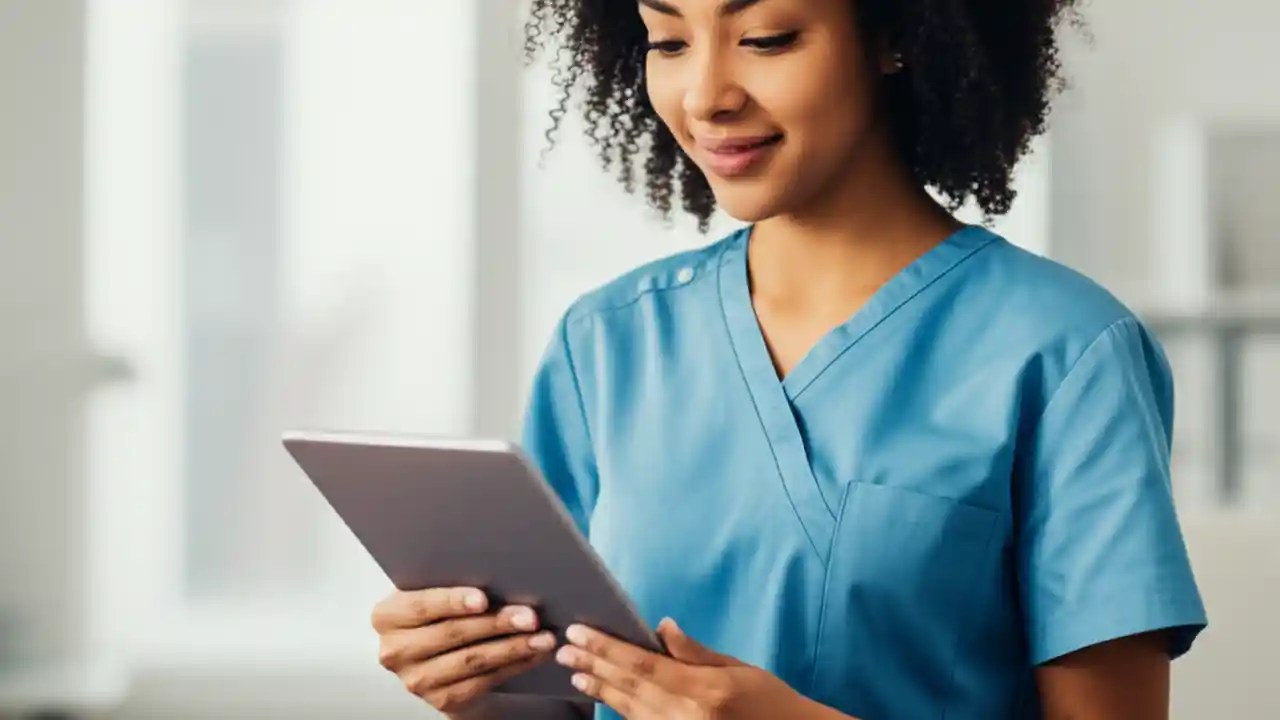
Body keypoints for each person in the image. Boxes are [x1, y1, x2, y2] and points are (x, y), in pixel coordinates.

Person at [371, 0, 1208, 717]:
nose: (706, 95)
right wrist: (475, 681)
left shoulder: (1065, 351)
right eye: (669, 41)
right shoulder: (607, 342)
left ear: (892, 33)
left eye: (765, 38)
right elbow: (561, 700)